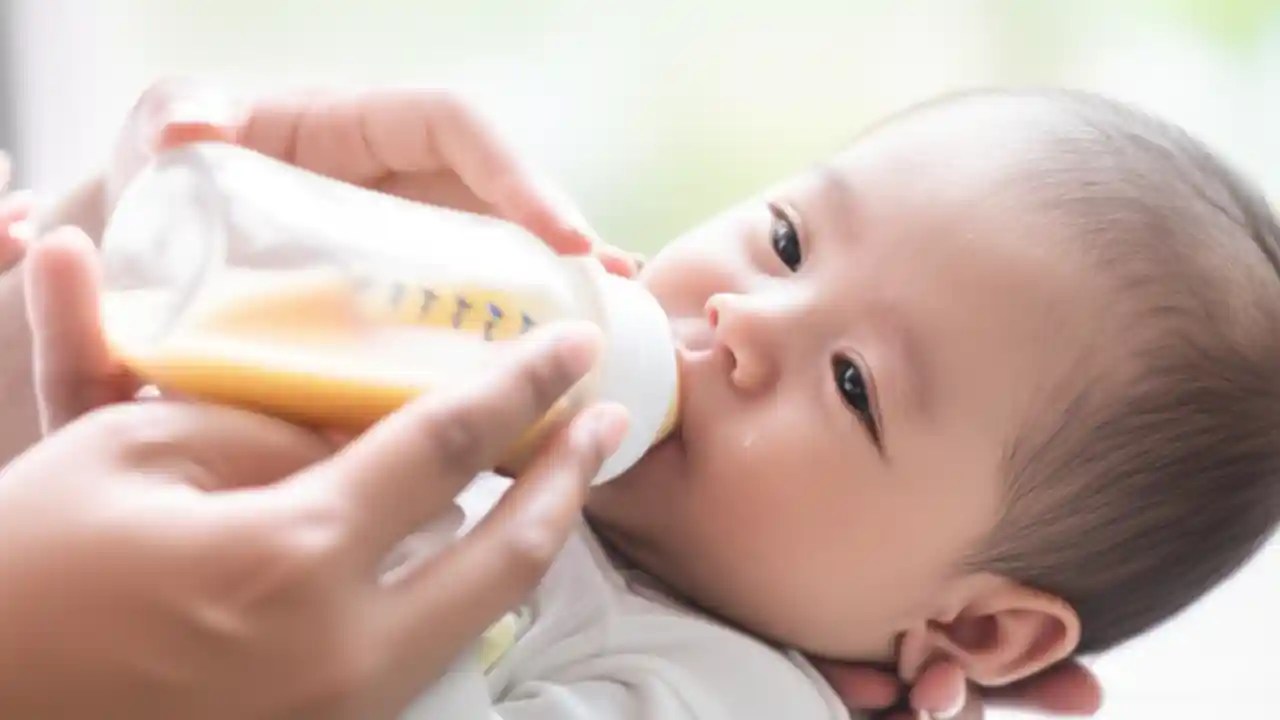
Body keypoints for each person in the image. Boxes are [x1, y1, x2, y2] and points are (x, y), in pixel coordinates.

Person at [0, 82, 1108, 719]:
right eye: (784, 242)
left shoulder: (728, 697)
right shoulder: (535, 467)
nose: (742, 319)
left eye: (854, 384)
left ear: (973, 627)